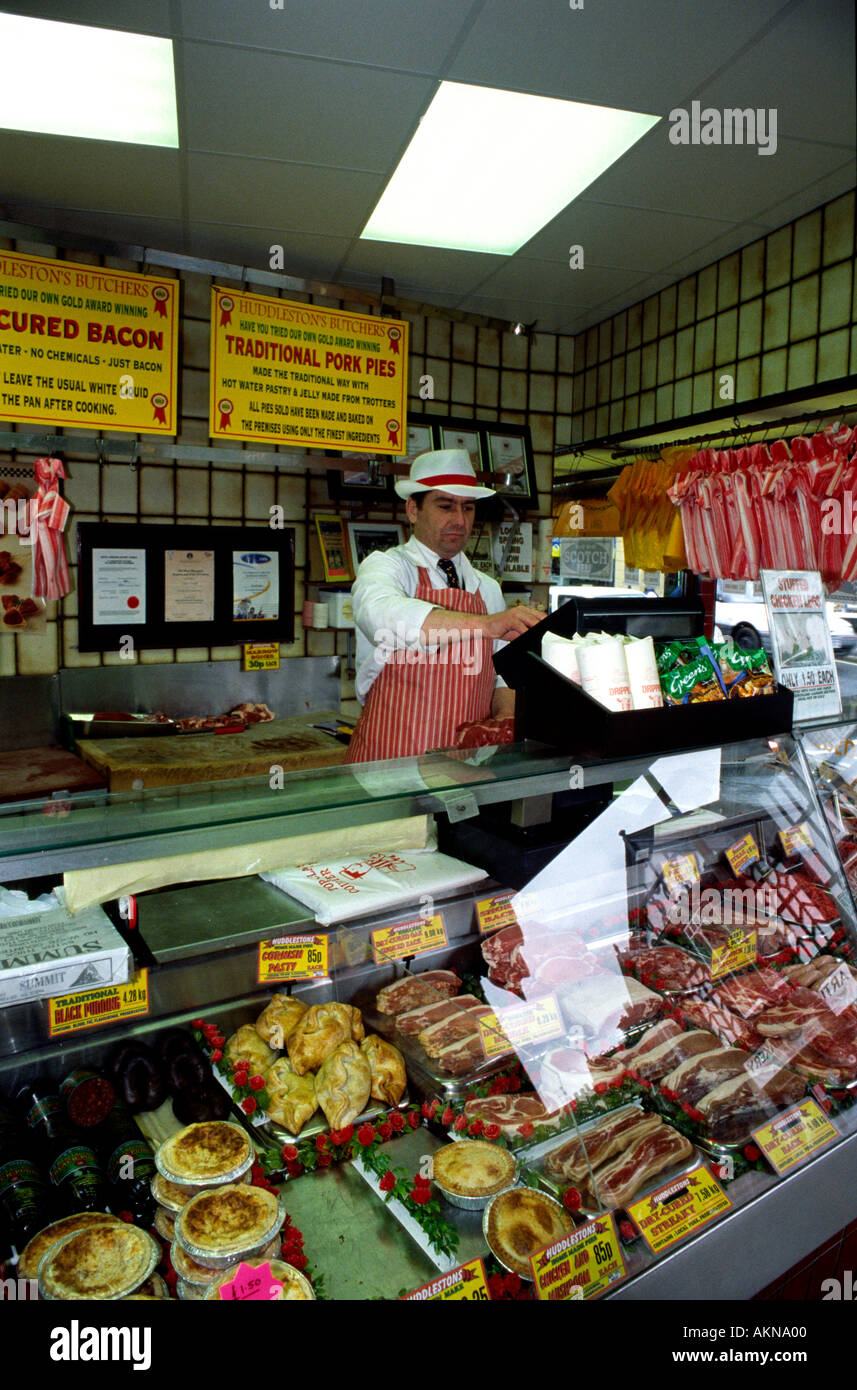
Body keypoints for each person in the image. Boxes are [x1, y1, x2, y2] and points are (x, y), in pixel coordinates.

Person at [344, 449, 542, 762]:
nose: (459, 520)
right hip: (390, 764)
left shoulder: (487, 589)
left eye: (468, 508)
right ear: (413, 509)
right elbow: (381, 617)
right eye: (445, 506)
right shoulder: (388, 568)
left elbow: (502, 676)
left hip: (463, 768)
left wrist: (503, 722)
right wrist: (485, 624)